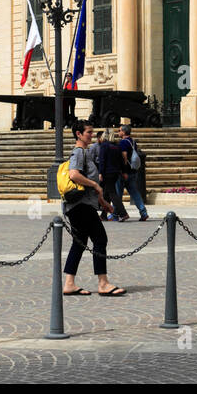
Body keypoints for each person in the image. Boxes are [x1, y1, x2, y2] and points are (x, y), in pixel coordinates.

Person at [62, 119, 125, 296]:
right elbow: (74, 175)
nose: (91, 135)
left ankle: (69, 283)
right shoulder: (79, 152)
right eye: (88, 132)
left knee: (79, 243)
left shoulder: (85, 152)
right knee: (100, 239)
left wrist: (104, 203)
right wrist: (96, 185)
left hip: (81, 205)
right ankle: (103, 283)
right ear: (79, 134)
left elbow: (86, 184)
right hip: (80, 206)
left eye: (91, 131)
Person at [99, 127, 129, 221]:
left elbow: (102, 160)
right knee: (107, 194)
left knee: (112, 193)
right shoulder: (117, 146)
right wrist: (124, 171)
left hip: (107, 173)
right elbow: (122, 161)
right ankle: (103, 215)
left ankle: (123, 213)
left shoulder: (104, 146)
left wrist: (100, 173)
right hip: (116, 173)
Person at [119, 125, 148, 221]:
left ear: (123, 132)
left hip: (125, 172)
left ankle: (116, 214)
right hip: (133, 171)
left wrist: (123, 170)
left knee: (118, 193)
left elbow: (124, 157)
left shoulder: (123, 142)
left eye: (119, 130)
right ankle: (143, 212)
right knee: (135, 192)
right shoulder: (133, 141)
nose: (118, 132)